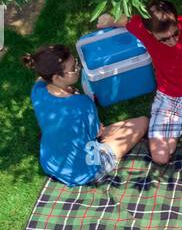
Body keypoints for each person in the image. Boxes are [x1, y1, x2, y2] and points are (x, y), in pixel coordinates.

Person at [98, 0, 182, 165]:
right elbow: (121, 19)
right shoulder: (142, 28)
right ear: (149, 32)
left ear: (176, 20)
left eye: (175, 33)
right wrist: (107, 20)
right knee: (160, 156)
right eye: (164, 39)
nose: (173, 41)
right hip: (169, 94)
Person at [25, 45, 148, 186]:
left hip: (50, 163)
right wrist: (97, 127)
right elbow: (96, 134)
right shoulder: (81, 104)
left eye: (76, 62)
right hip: (83, 171)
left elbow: (43, 76)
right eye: (73, 68)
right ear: (57, 77)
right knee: (142, 122)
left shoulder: (38, 90)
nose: (78, 68)